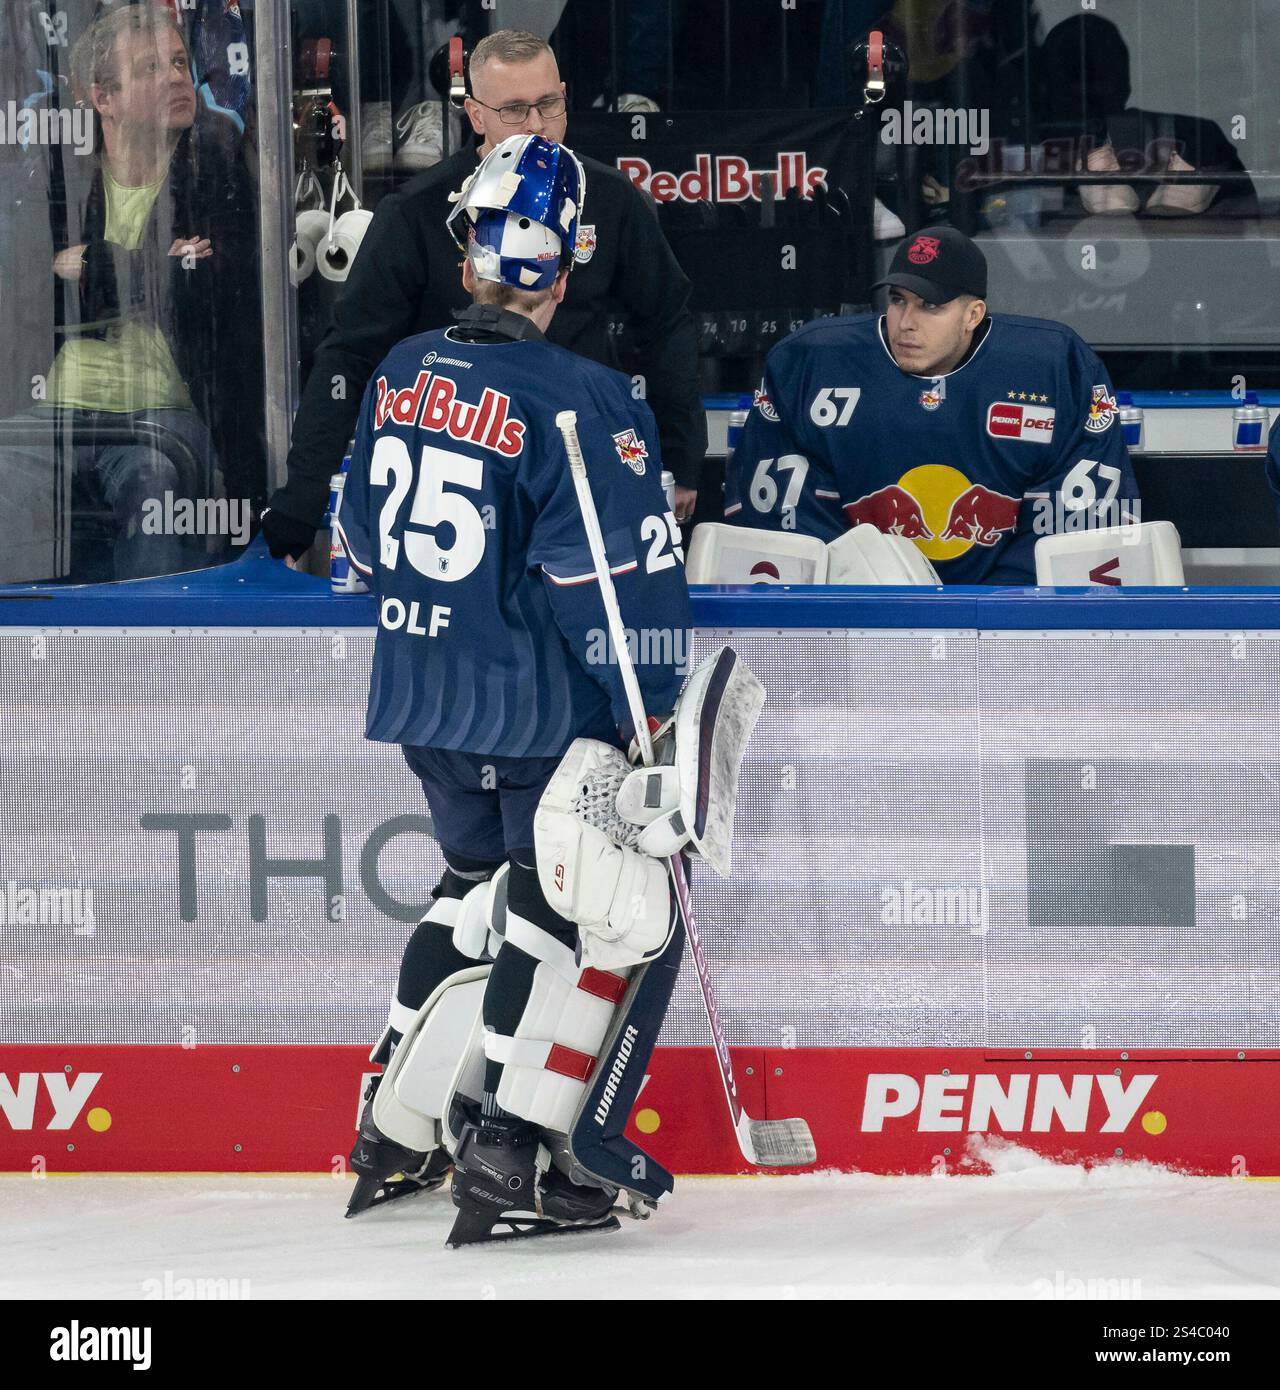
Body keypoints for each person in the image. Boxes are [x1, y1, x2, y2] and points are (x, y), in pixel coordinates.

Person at [335, 134, 694, 1245]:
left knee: (463, 884)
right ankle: (498, 1147)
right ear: (568, 262)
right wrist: (650, 718)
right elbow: (608, 586)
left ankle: (388, 1132)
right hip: (533, 709)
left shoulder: (398, 370)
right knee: (547, 908)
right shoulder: (579, 397)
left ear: (465, 259)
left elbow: (355, 536)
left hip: (421, 693)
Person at [262, 26, 705, 570]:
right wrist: (303, 495)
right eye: (516, 110)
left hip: (580, 464)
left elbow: (668, 323)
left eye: (549, 104)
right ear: (476, 116)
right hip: (457, 478)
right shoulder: (416, 213)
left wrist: (682, 461)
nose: (539, 126)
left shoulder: (611, 199)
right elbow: (349, 356)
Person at [0, 1, 263, 582]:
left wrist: (90, 268)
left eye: (178, 62)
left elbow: (210, 291)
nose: (176, 77)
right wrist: (153, 268)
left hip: (164, 419)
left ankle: (154, 649)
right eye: (150, 69)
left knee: (154, 483)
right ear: (103, 99)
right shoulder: (56, 182)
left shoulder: (217, 172)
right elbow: (21, 286)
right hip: (60, 411)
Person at [725, 226, 1139, 585]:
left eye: (931, 306)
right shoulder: (810, 361)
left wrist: (992, 606)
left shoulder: (1056, 365)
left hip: (1005, 619)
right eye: (898, 300)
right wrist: (869, 586)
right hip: (859, 611)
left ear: (973, 314)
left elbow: (1084, 520)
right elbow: (774, 513)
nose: (906, 321)